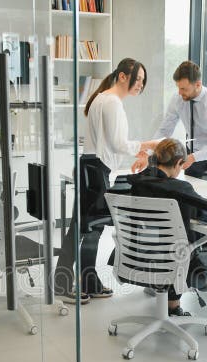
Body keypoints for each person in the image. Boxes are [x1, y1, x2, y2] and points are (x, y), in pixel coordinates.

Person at [53, 58, 158, 305]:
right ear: (123, 76)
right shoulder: (112, 102)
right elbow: (118, 144)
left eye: (143, 80)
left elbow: (111, 144)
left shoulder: (102, 99)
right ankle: (64, 282)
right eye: (137, 79)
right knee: (88, 229)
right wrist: (149, 146)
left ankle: (84, 280)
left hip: (91, 166)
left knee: (87, 228)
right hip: (96, 169)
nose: (140, 84)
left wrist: (140, 151)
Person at [111, 139, 207, 315]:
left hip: (134, 255)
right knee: (187, 241)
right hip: (168, 259)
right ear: (178, 163)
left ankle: (172, 305)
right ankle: (174, 304)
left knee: (175, 238)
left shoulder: (131, 181)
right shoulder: (179, 187)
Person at [146, 61, 207, 179]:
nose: (180, 93)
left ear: (197, 84)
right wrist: (149, 154)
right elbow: (165, 130)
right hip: (191, 155)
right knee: (191, 191)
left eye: (184, 89)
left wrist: (193, 157)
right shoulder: (177, 99)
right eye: (178, 88)